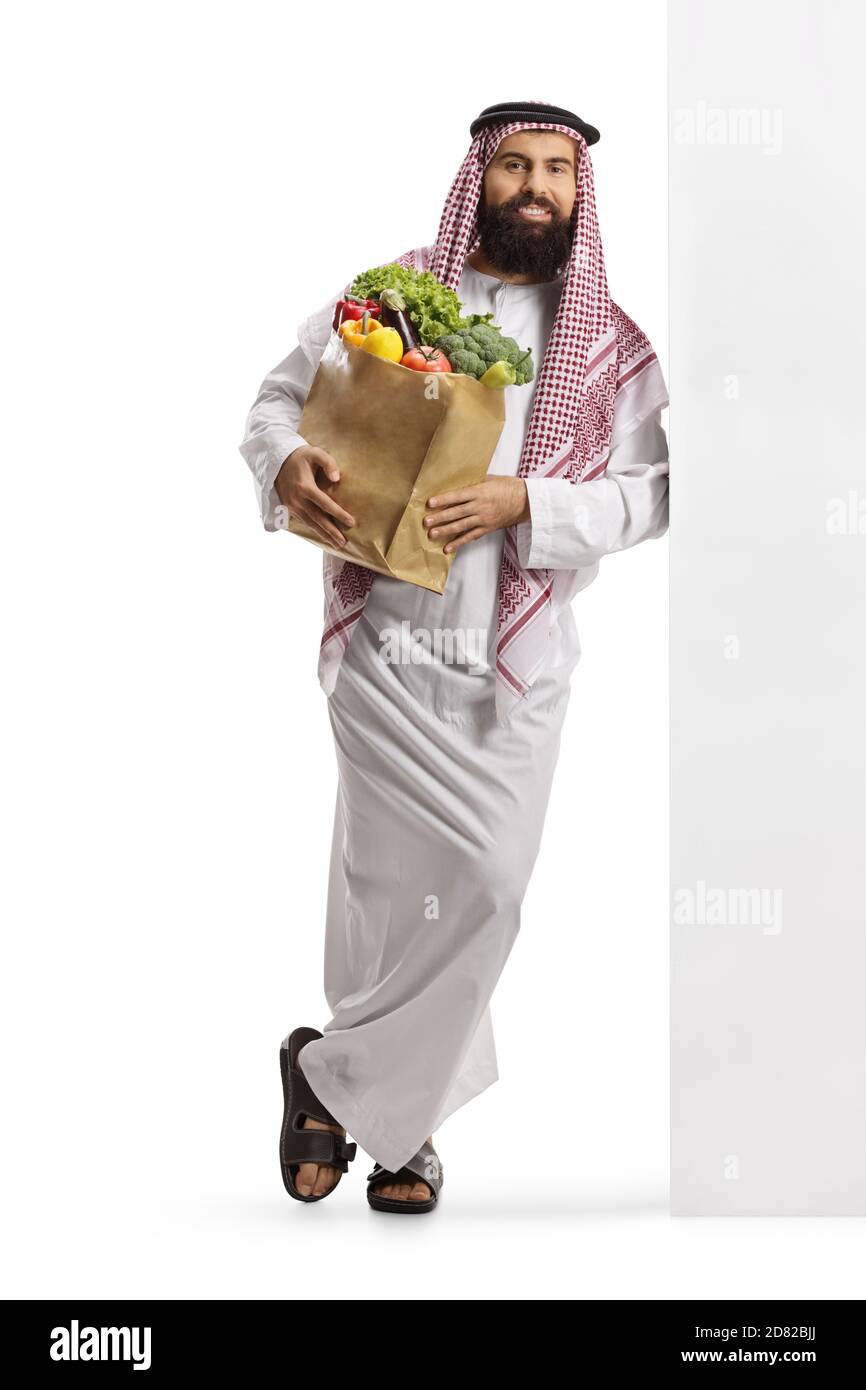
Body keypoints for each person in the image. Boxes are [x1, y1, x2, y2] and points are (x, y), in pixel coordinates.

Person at [238, 100, 670, 1212]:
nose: (533, 186)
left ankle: (327, 1073)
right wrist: (285, 465)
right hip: (385, 638)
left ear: (580, 195)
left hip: (511, 661)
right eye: (513, 165)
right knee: (382, 890)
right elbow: (278, 402)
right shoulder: (392, 296)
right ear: (477, 177)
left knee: (486, 886)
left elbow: (649, 494)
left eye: (554, 171)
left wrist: (530, 499)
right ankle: (406, 1135)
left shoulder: (611, 347)